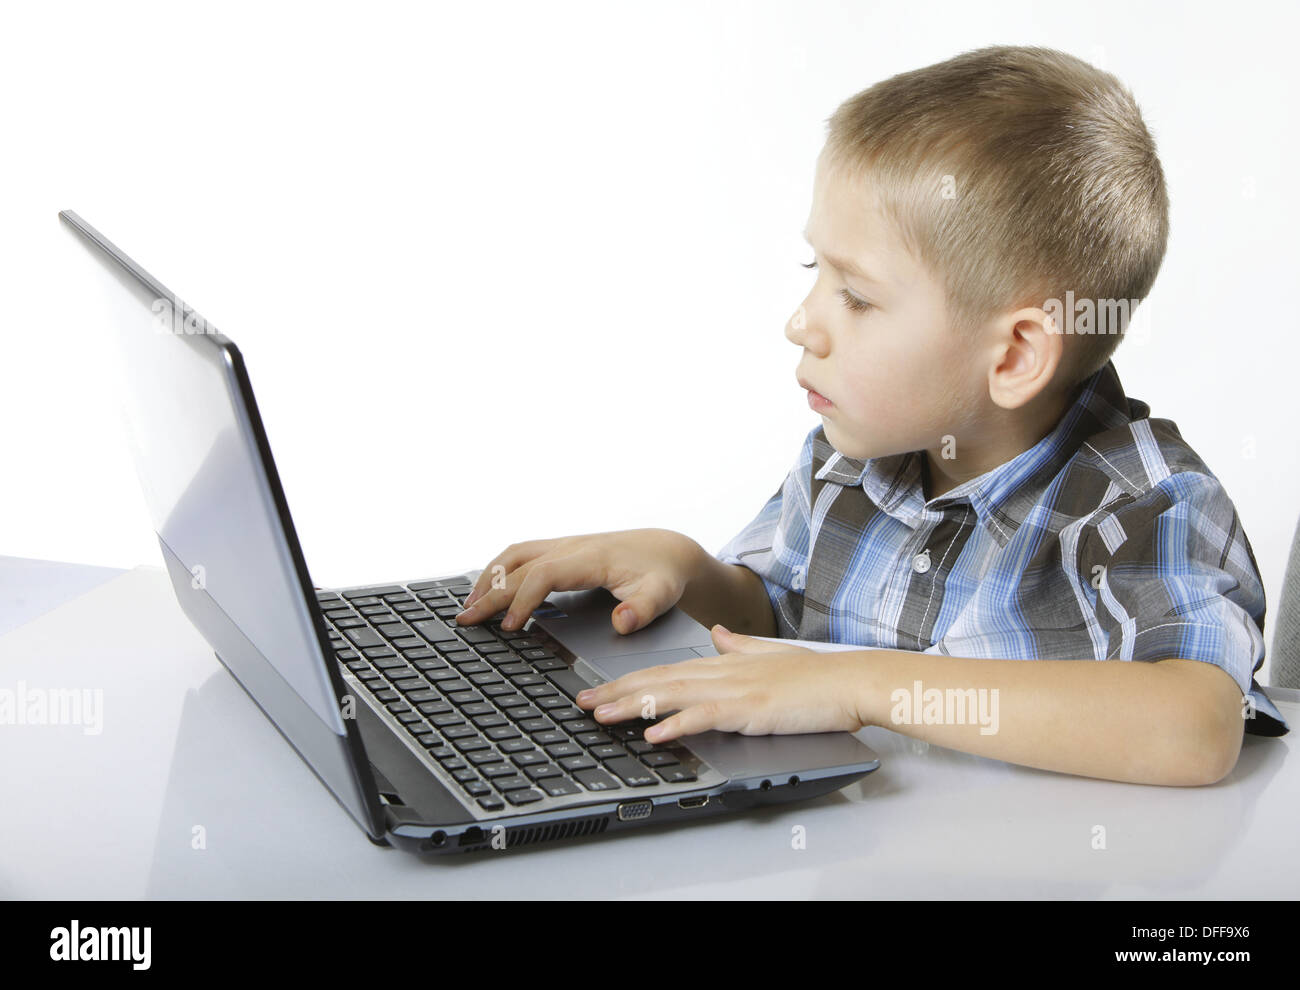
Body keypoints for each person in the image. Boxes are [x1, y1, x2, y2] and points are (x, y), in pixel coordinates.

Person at [455, 45, 1288, 786]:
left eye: (855, 296)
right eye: (816, 269)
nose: (801, 321)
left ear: (1013, 356)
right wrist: (686, 571)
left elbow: (1194, 726)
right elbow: (778, 627)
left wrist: (860, 684)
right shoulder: (849, 457)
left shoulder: (1139, 504)